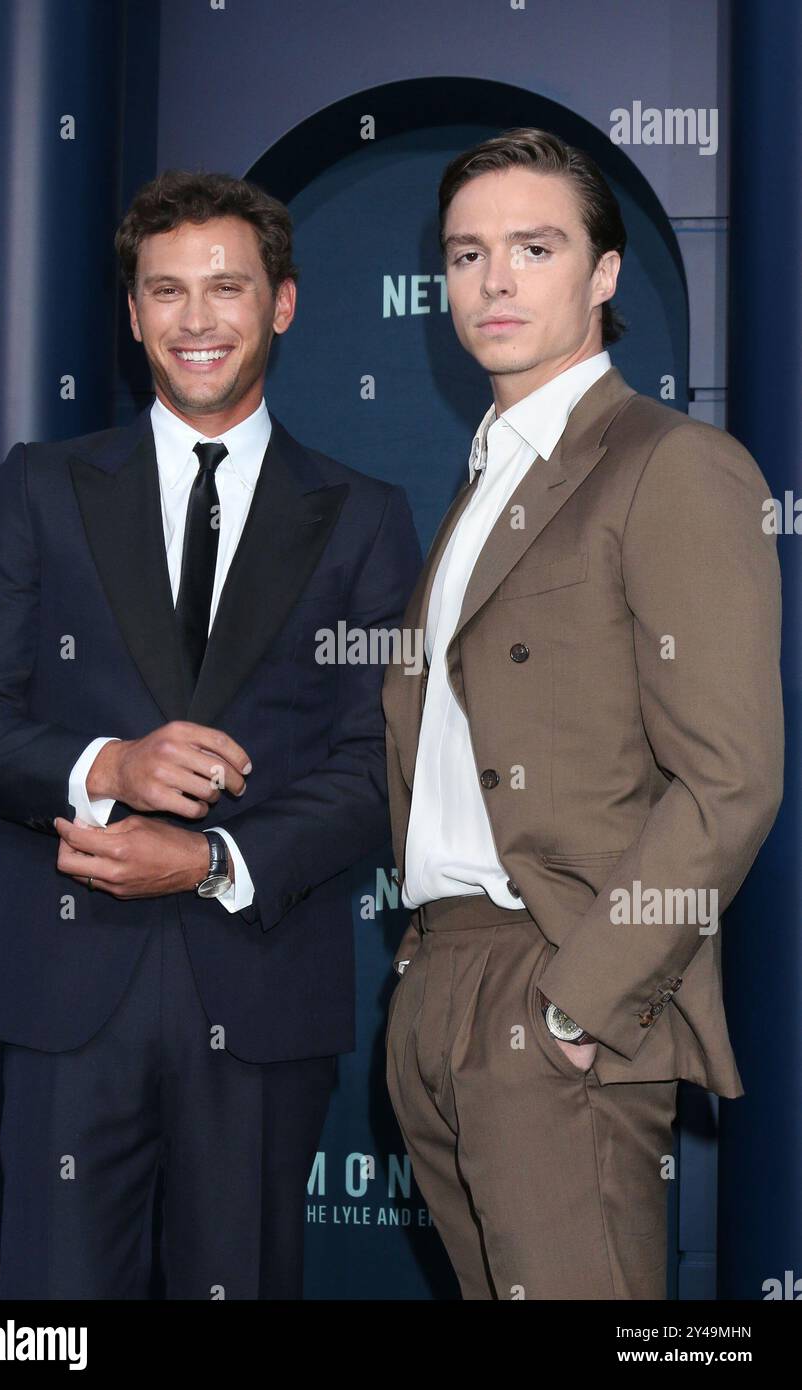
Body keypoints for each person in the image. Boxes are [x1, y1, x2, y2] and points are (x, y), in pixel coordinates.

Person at [0, 169, 421, 1299]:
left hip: (255, 992)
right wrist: (108, 764)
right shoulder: (39, 487)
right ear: (133, 311)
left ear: (283, 303)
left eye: (225, 288)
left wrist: (212, 859)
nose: (195, 320)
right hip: (62, 987)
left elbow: (380, 759)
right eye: (165, 291)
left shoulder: (362, 514)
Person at [382, 128, 783, 1300]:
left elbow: (729, 778)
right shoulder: (481, 481)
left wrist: (579, 1003)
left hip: (555, 985)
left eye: (533, 246)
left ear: (603, 275)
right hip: (440, 979)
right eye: (465, 254)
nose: (492, 280)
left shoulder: (672, 464)